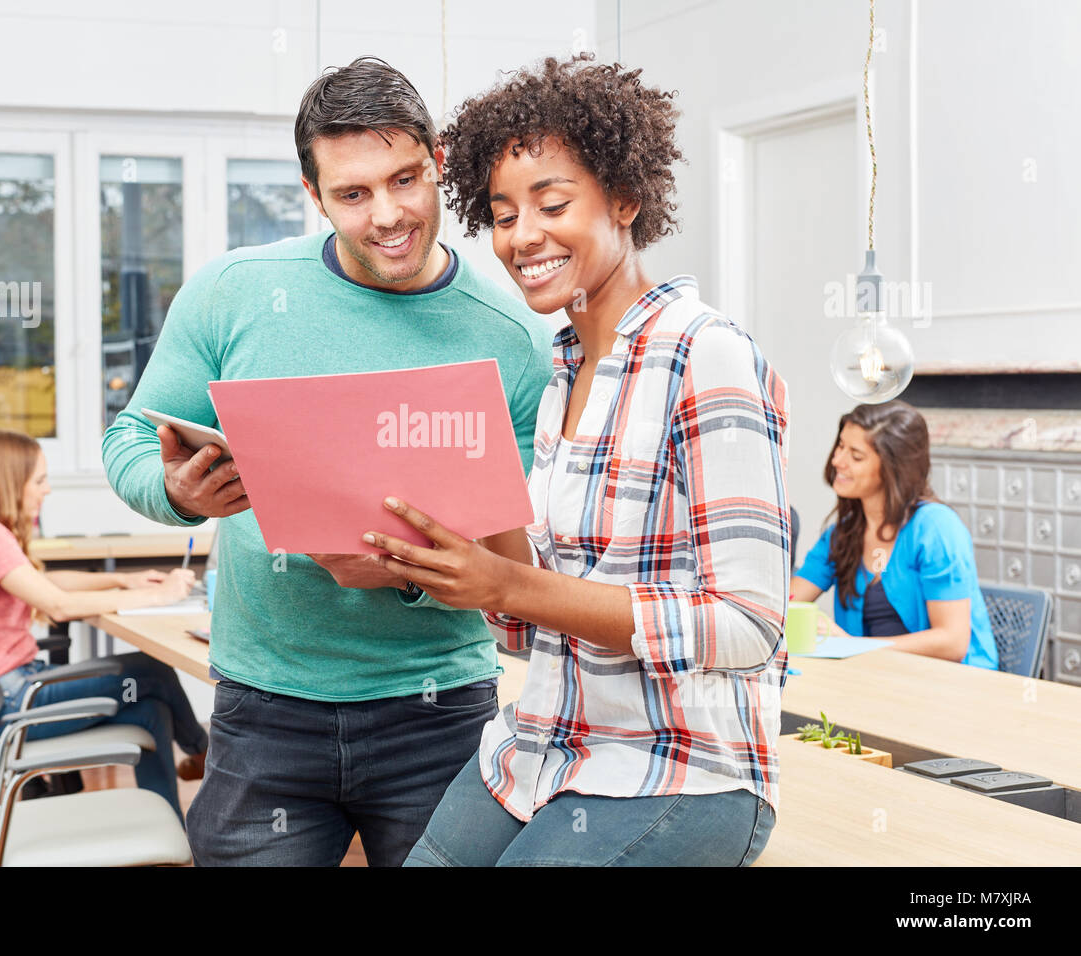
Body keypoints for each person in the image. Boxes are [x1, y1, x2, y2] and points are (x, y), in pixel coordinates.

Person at [101, 57, 553, 866]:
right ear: (313, 195)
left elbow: (520, 552)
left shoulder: (507, 340)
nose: (389, 214)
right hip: (264, 709)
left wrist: (409, 573)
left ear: (439, 161)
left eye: (406, 179)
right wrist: (176, 493)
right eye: (353, 193)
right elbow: (129, 436)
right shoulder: (233, 293)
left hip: (438, 709)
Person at [363, 54, 789, 867]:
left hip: (679, 769)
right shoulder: (562, 372)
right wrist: (441, 552)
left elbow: (749, 623)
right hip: (542, 749)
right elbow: (535, 618)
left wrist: (511, 584)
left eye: (551, 204)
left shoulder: (708, 355)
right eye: (502, 214)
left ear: (624, 199)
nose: (523, 236)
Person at [0, 429, 210, 821]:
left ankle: (170, 829)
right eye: (39, 480)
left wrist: (123, 579)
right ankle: (203, 752)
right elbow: (57, 604)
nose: (47, 490)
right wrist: (158, 597)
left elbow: (46, 582)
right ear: (9, 483)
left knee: (151, 709)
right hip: (9, 705)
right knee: (153, 671)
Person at [789, 402, 998, 668]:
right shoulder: (843, 533)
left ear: (892, 468)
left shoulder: (937, 529)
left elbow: (952, 642)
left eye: (856, 456)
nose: (837, 461)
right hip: (880, 678)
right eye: (841, 446)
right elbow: (791, 601)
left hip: (954, 686)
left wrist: (852, 647)